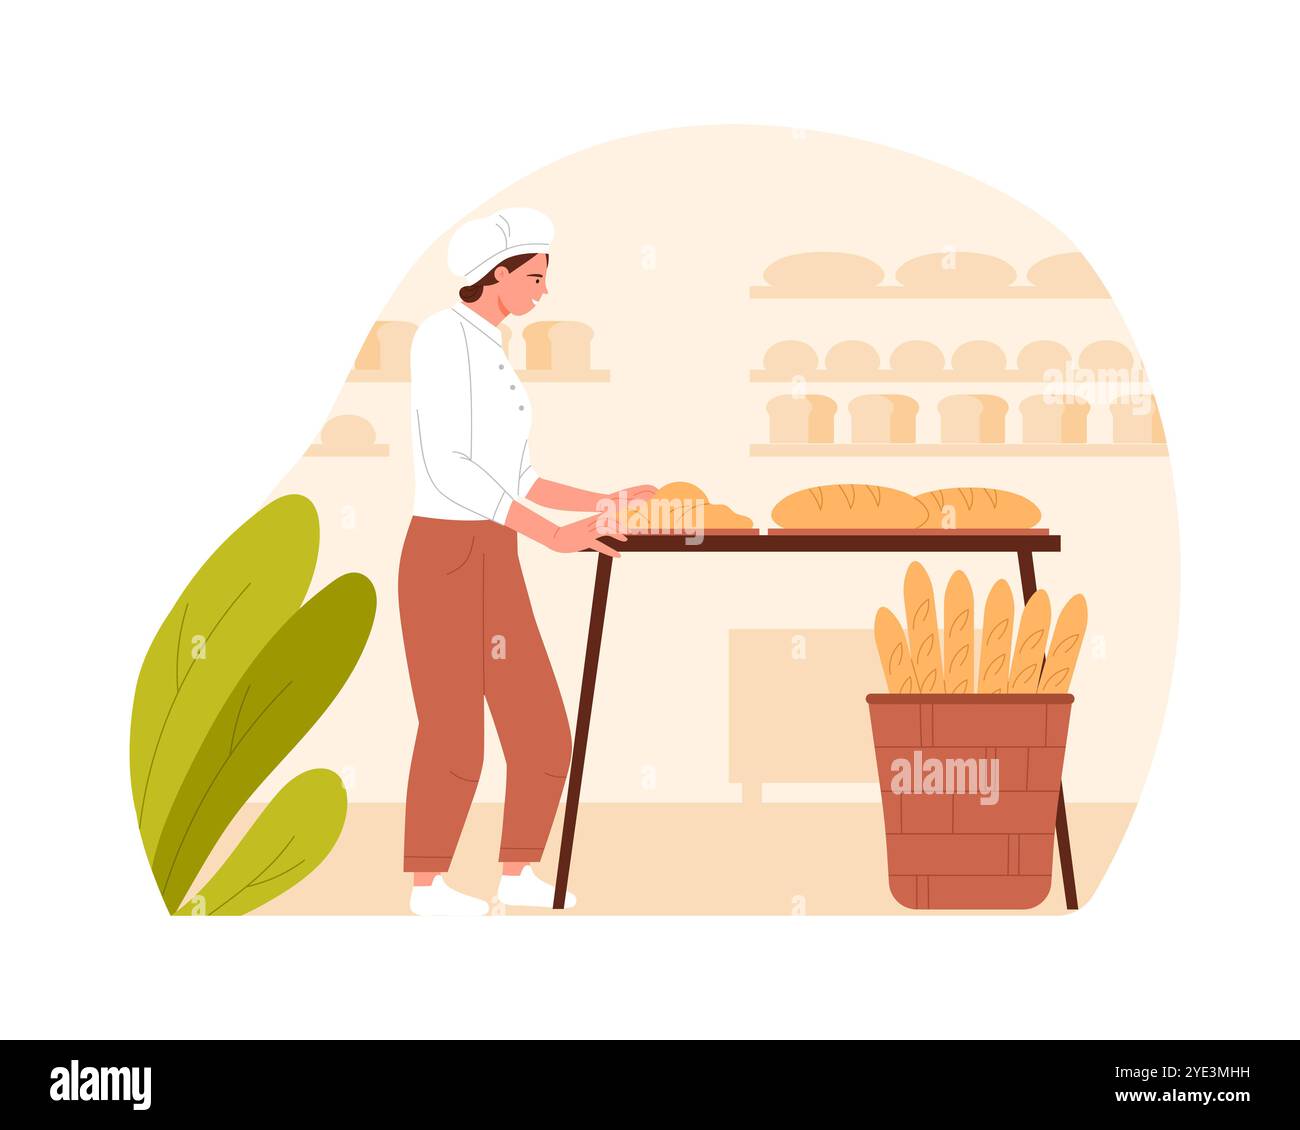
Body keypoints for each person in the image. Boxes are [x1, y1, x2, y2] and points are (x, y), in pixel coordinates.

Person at [401, 207, 655, 915]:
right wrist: (553, 536)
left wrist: (603, 500)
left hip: (495, 550)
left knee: (542, 730)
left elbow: (521, 477)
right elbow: (451, 468)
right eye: (535, 278)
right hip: (443, 554)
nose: (543, 291)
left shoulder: (493, 346)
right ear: (498, 275)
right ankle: (427, 885)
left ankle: (516, 874)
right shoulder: (442, 339)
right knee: (455, 733)